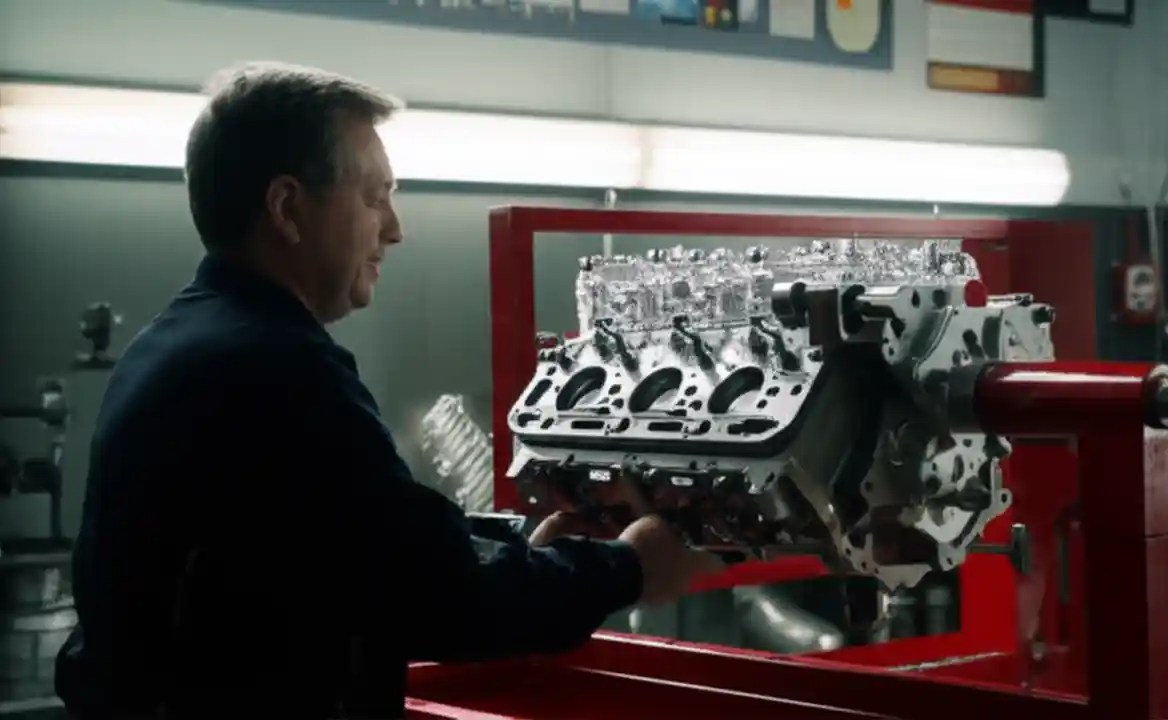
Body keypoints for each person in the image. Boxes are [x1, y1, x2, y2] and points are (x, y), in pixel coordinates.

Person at [55, 62, 722, 719]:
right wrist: (628, 568)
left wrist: (530, 551)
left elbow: (367, 535)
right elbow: (436, 595)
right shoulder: (277, 369)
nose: (395, 228)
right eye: (375, 197)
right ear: (287, 207)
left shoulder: (179, 342)